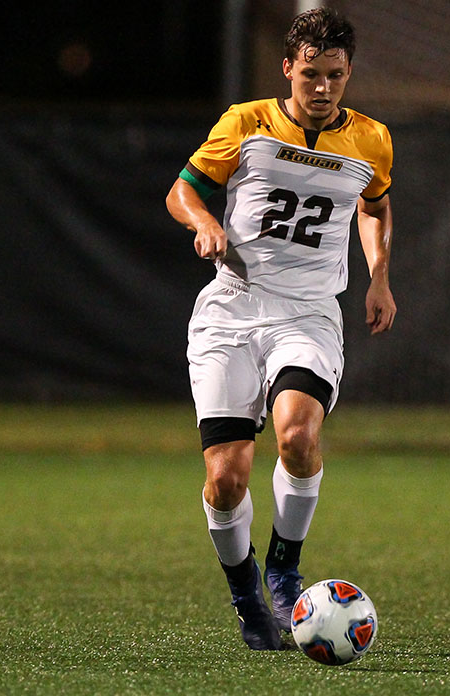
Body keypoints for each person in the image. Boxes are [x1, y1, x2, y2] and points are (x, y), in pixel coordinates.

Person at [165, 7, 395, 651]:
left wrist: (378, 274)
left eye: (337, 76)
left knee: (297, 435)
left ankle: (285, 570)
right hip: (232, 311)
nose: (323, 89)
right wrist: (204, 222)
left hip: (308, 313)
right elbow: (180, 191)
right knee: (226, 478)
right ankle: (247, 600)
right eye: (312, 75)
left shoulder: (371, 139)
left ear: (348, 75)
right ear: (288, 68)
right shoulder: (247, 123)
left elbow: (375, 207)